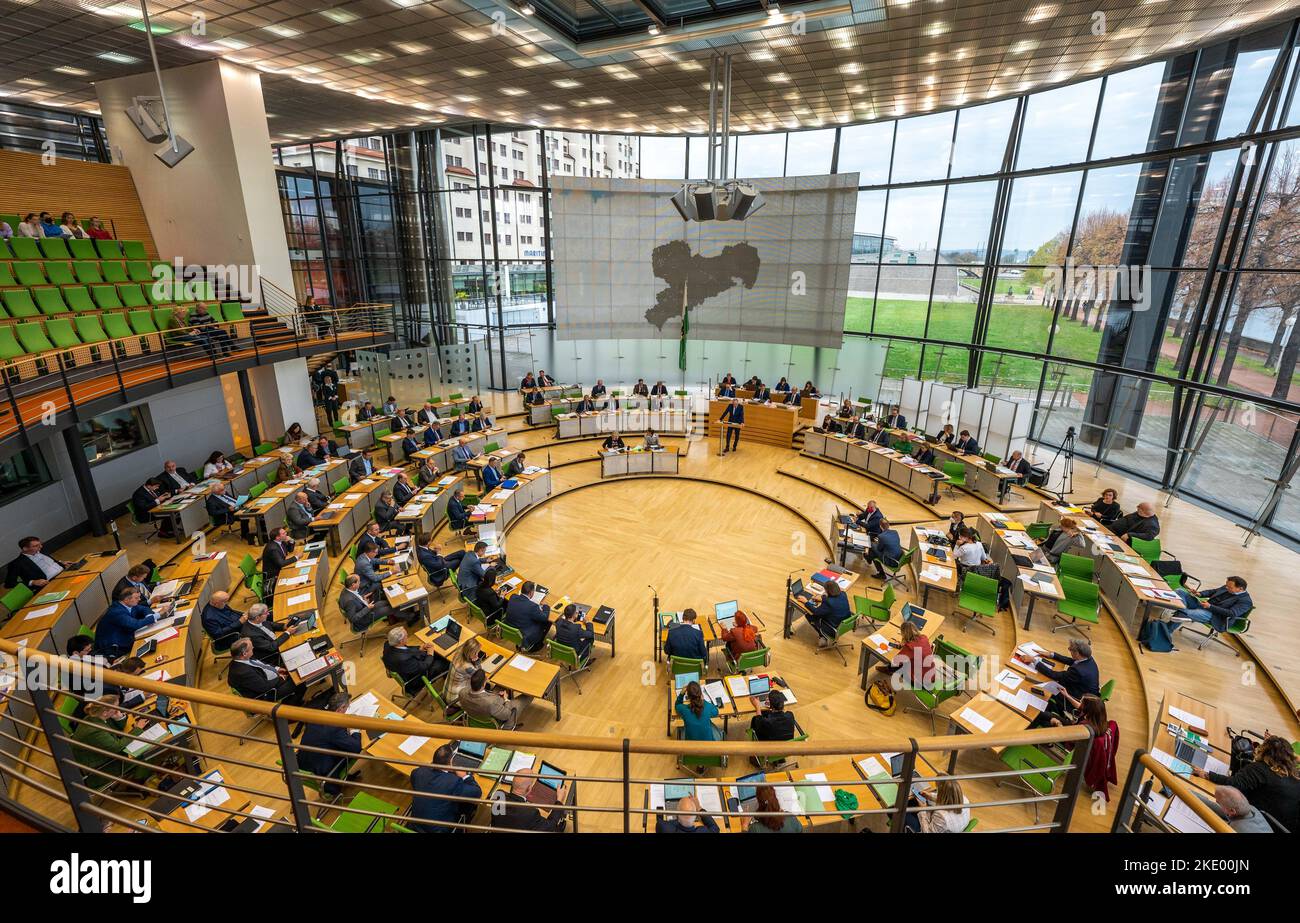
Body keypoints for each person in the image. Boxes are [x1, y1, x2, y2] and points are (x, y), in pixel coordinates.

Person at [1194, 735, 1300, 832]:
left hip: (1259, 824)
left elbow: (1233, 783)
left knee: (1199, 799)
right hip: (1281, 826)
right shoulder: (1294, 775)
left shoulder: (1260, 769)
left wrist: (1207, 775)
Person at [1049, 694, 1119, 801]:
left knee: (1048, 717)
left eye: (1082, 703)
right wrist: (1067, 695)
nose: (1080, 704)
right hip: (1074, 733)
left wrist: (1058, 723)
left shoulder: (1085, 727)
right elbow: (1080, 708)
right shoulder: (1101, 722)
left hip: (1069, 740)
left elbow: (1067, 737)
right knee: (1050, 714)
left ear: (1088, 709)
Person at [70, 696, 156, 784]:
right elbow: (117, 747)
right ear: (105, 713)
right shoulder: (95, 731)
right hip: (102, 767)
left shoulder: (94, 717)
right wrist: (137, 729)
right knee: (144, 753)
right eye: (115, 708)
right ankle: (138, 782)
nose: (117, 709)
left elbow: (116, 730)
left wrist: (118, 717)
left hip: (101, 756)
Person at [298, 693, 362, 796]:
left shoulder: (318, 715)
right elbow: (356, 748)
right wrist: (355, 730)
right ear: (341, 708)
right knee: (352, 750)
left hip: (302, 763)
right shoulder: (335, 728)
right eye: (348, 707)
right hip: (323, 772)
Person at [410, 743, 481, 832]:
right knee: (470, 805)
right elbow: (477, 793)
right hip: (437, 830)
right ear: (451, 761)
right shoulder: (452, 781)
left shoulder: (418, 772)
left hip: (414, 825)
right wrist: (465, 776)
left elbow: (415, 780)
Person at [1028, 639, 1100, 723]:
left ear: (1077, 653)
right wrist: (1052, 655)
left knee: (1042, 688)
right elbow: (1071, 661)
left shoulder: (1078, 671)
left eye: (1070, 649)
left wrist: (1034, 661)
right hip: (1087, 693)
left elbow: (1054, 675)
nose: (1069, 650)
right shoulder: (1088, 659)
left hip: (1076, 699)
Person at [94, 586, 167, 659]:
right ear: (126, 599)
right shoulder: (117, 612)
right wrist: (158, 614)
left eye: (139, 597)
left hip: (126, 633)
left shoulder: (126, 604)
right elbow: (135, 624)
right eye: (136, 598)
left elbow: (143, 608)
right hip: (115, 646)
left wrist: (150, 615)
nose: (139, 599)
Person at [228, 637, 303, 704]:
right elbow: (265, 687)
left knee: (292, 665)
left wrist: (277, 669)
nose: (253, 647)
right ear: (244, 653)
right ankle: (292, 704)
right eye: (251, 647)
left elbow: (262, 664)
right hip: (269, 693)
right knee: (300, 680)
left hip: (267, 678)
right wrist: (280, 677)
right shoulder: (243, 672)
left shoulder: (241, 658)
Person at [1174, 576, 1253, 634]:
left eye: (1230, 587)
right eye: (1226, 586)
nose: (1227, 588)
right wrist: (1200, 594)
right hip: (1204, 606)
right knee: (1180, 591)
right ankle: (1183, 611)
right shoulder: (1227, 587)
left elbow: (1231, 613)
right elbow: (1213, 591)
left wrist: (1210, 607)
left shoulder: (1245, 601)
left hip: (1215, 617)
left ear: (1241, 589)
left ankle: (1167, 633)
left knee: (1182, 613)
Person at [382, 625, 450, 693]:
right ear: (401, 641)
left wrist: (419, 648)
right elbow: (424, 666)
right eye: (406, 636)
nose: (407, 636)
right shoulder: (404, 659)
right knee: (446, 662)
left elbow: (406, 649)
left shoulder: (388, 644)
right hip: (417, 678)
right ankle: (447, 683)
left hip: (406, 669)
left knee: (436, 654)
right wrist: (430, 654)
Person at [490, 771, 567, 831]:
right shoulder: (530, 813)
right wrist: (559, 801)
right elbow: (549, 826)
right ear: (529, 788)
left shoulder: (498, 795)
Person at [875, 621, 934, 690]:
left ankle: (888, 670)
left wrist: (905, 646)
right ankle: (889, 670)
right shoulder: (924, 637)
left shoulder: (910, 647)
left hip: (920, 682)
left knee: (897, 664)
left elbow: (895, 661)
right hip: (931, 675)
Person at [462, 668, 526, 729]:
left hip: (477, 714)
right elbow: (507, 715)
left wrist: (496, 697)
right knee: (526, 697)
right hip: (495, 721)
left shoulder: (462, 692)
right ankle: (509, 727)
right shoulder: (491, 703)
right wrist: (506, 699)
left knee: (500, 685)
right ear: (484, 684)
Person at [5, 535, 72, 590]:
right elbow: (9, 583)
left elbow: (50, 562)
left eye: (40, 544)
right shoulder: (17, 563)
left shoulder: (41, 550)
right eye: (36, 546)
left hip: (65, 572)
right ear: (25, 548)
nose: (41, 547)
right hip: (50, 583)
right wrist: (33, 582)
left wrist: (60, 562)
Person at [1199, 785, 1274, 833]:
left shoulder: (1235, 829)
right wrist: (1189, 793)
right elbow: (1218, 808)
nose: (1216, 803)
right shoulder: (1251, 809)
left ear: (1232, 811)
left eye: (1218, 802)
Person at [906, 780, 970, 833]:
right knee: (915, 803)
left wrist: (923, 810)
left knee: (904, 815)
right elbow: (948, 798)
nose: (937, 791)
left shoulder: (942, 815)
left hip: (928, 829)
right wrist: (930, 796)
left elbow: (927, 831)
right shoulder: (964, 799)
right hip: (954, 828)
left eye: (938, 790)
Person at [504, 580, 551, 652]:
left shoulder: (513, 597)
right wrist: (546, 607)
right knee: (547, 621)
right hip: (525, 635)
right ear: (531, 592)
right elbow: (544, 618)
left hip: (510, 629)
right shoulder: (532, 606)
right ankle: (536, 645)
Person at [446, 637, 483, 705]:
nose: (477, 655)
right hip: (455, 700)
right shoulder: (467, 667)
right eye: (476, 653)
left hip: (447, 691)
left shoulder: (457, 654)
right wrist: (477, 662)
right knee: (481, 689)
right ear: (470, 653)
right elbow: (480, 674)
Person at [261, 527, 297, 593]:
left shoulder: (280, 542)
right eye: (283, 533)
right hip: (274, 574)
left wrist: (291, 540)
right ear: (277, 537)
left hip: (279, 567)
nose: (286, 533)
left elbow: (290, 550)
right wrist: (296, 557)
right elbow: (282, 563)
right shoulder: (273, 548)